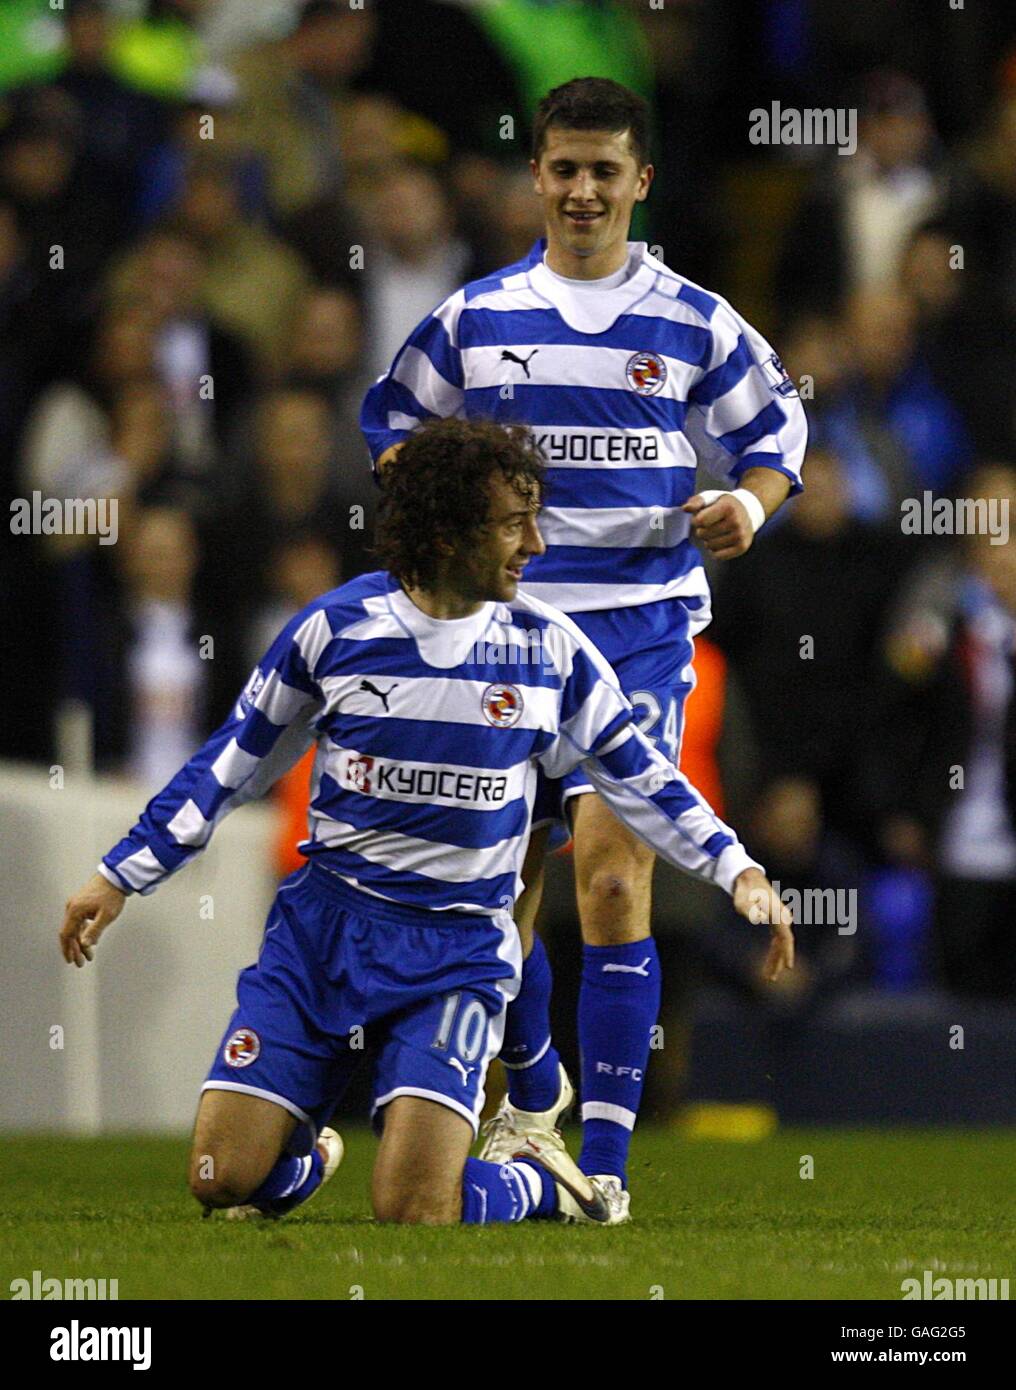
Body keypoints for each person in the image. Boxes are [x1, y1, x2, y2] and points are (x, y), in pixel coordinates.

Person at [59, 418, 793, 1227]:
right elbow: (229, 767)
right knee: (216, 1177)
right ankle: (295, 1163)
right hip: (322, 935)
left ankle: (547, 1185)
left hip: (455, 949)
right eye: (515, 525)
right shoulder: (334, 633)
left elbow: (644, 776)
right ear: (447, 533)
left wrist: (737, 868)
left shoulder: (549, 651)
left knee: (414, 1208)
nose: (539, 547)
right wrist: (118, 875)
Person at [361, 78, 806, 1209]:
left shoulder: (693, 317)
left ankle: (600, 1172)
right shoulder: (476, 317)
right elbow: (394, 432)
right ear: (535, 177)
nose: (581, 190)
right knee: (493, 898)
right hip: (501, 643)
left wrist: (745, 509)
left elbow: (774, 432)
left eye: (603, 170)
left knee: (611, 882)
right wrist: (429, 512)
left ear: (639, 181)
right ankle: (534, 1087)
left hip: (636, 642)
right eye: (562, 169)